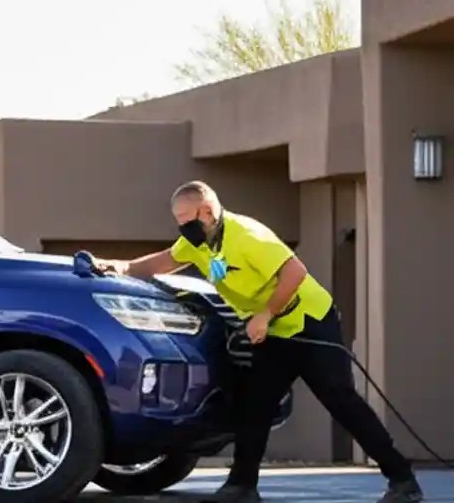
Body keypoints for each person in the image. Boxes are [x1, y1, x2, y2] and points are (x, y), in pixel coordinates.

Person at [92, 181, 423, 503]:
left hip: (308, 324)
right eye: (178, 222)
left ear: (206, 212)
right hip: (271, 332)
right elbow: (162, 261)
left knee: (342, 402)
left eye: (186, 220)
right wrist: (119, 267)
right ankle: (241, 486)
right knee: (254, 404)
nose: (183, 228)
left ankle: (402, 479)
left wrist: (264, 314)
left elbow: (295, 272)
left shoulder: (247, 235)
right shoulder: (200, 243)